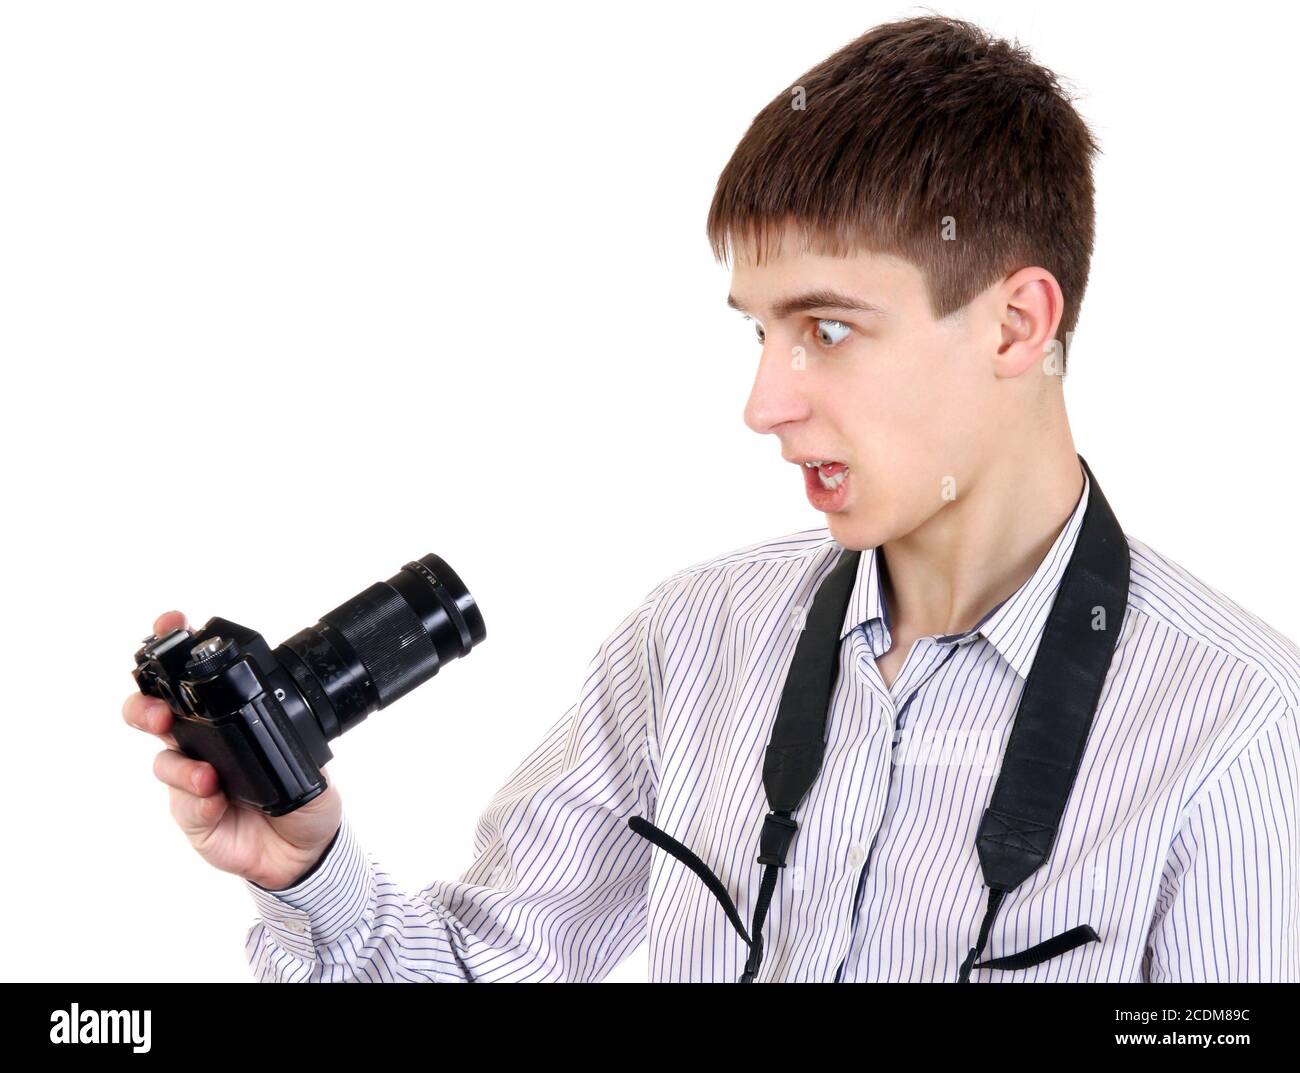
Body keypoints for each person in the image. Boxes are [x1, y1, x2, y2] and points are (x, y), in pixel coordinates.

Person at [121, 14, 1300, 982]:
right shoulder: (690, 641)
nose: (763, 403)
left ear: (1014, 324)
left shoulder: (1240, 726)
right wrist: (305, 865)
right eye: (759, 330)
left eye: (826, 328)